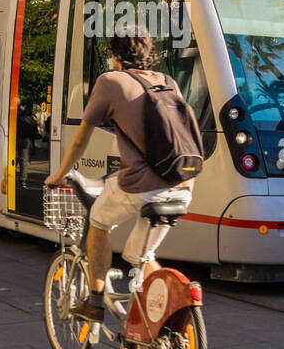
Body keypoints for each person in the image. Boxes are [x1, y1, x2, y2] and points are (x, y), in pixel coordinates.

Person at [45, 27, 196, 322]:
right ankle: (167, 317)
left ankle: (95, 301)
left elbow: (80, 140)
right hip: (183, 185)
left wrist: (59, 175)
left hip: (142, 185)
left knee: (99, 222)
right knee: (139, 255)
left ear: (115, 56)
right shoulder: (168, 82)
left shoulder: (111, 81)